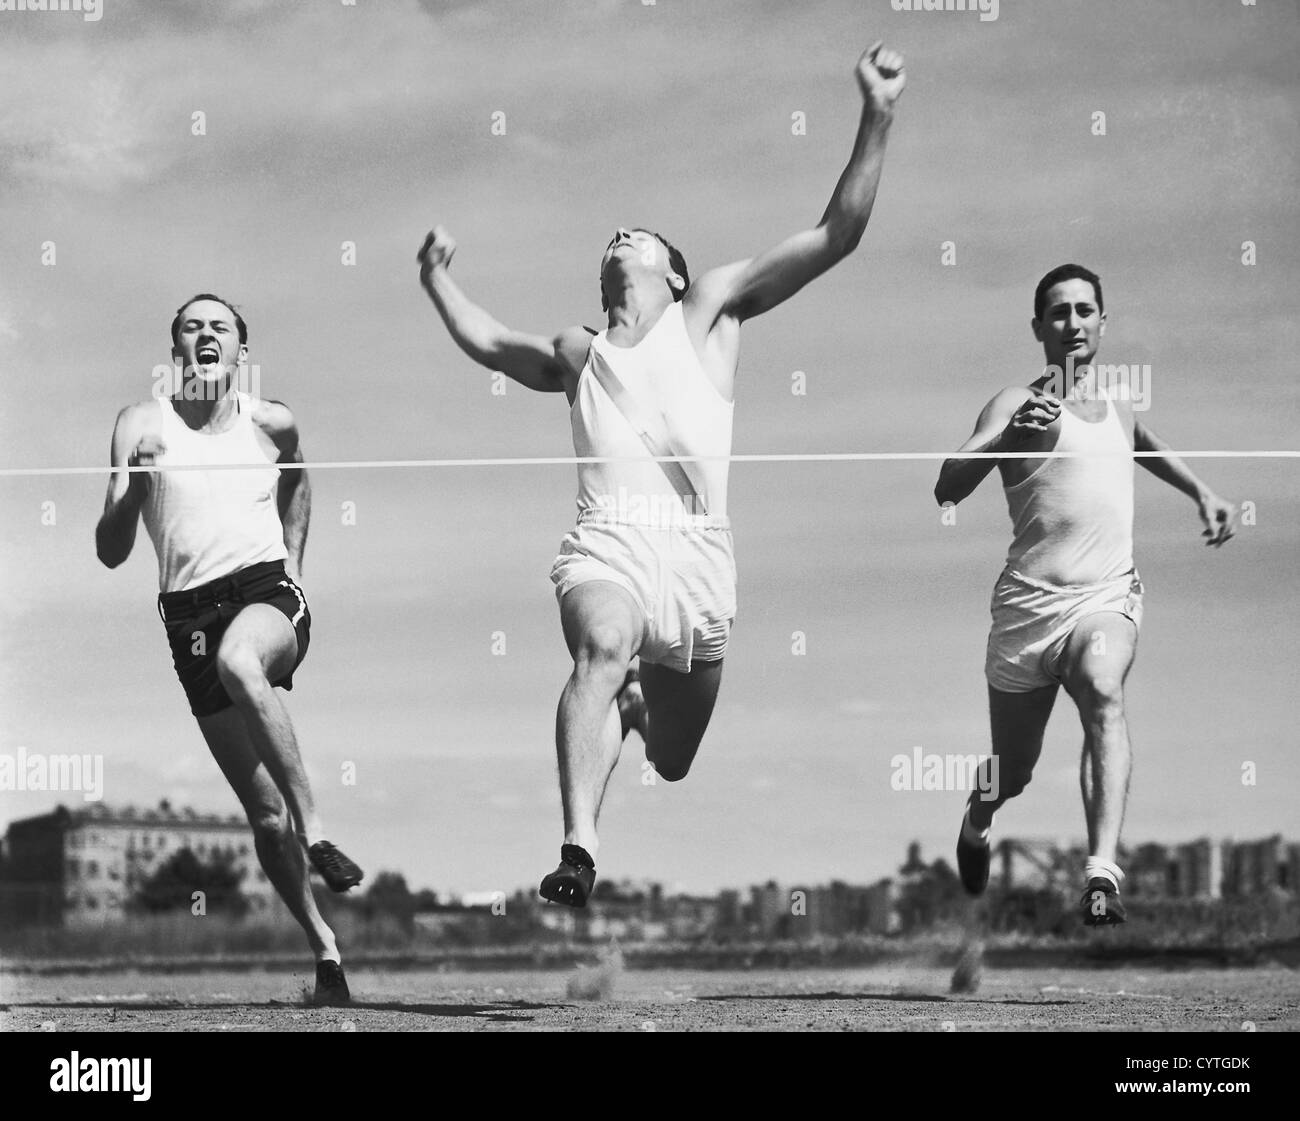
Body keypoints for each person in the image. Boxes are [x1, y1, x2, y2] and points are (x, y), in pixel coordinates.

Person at [418, 43, 907, 907]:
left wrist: (877, 114)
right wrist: (435, 282)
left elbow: (839, 234)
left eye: (635, 237)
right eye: (610, 238)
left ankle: (643, 710)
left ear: (672, 271)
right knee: (601, 646)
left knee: (673, 761)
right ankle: (578, 845)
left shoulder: (709, 311)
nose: (619, 240)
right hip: (606, 543)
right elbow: (491, 343)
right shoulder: (580, 352)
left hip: (698, 564)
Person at [934, 263, 1237, 925]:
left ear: (1103, 321)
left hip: (1104, 598)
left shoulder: (1122, 403)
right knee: (1013, 770)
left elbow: (1141, 445)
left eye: (1084, 310)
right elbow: (947, 485)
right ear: (1038, 326)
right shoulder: (1015, 400)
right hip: (1026, 613)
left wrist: (1202, 492)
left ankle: (1101, 872)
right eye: (1059, 312)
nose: (1073, 322)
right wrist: (1010, 435)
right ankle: (978, 816)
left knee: (1104, 686)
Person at [95, 294, 363, 1002]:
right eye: (192, 326)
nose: (206, 334)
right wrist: (131, 493)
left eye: (221, 326)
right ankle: (326, 949)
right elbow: (109, 550)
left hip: (267, 595)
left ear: (241, 351)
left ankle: (323, 831)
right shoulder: (139, 423)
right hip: (187, 617)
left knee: (241, 659)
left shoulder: (272, 422)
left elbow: (298, 477)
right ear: (175, 349)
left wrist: (297, 567)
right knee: (265, 816)